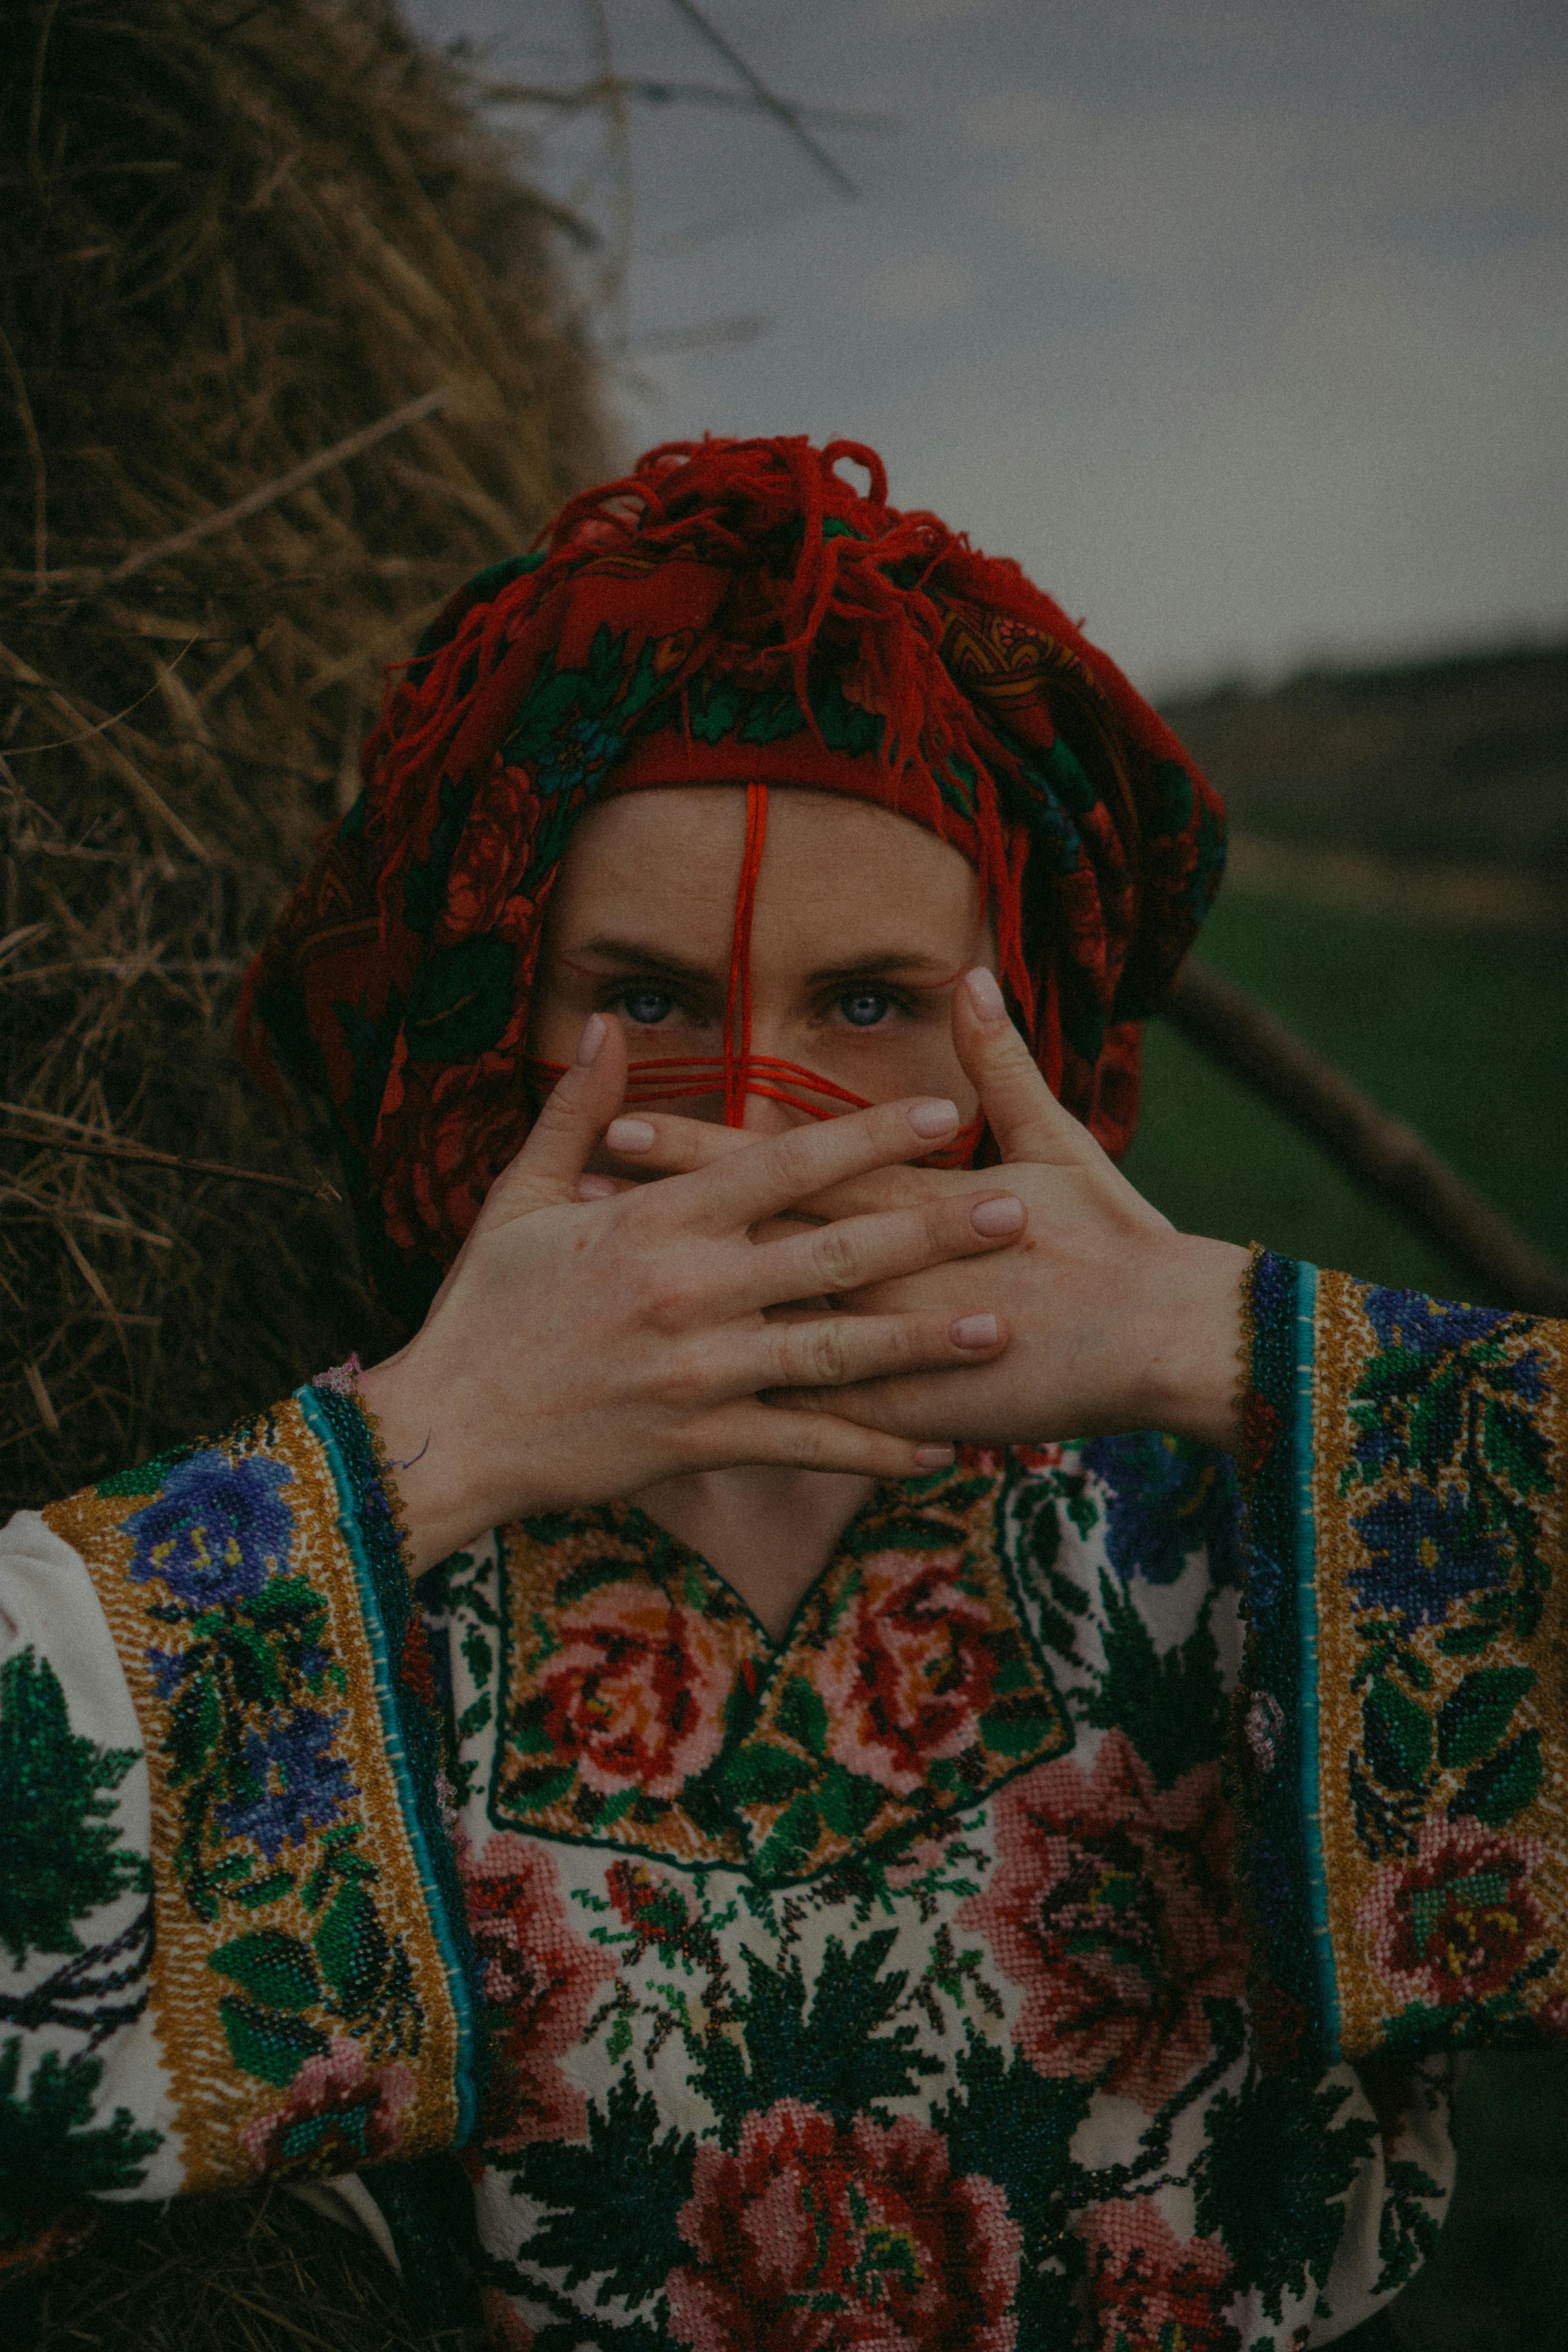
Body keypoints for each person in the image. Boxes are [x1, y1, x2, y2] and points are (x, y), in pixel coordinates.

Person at [2, 437, 1561, 2352]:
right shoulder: (346, 1575)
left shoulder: (1245, 1532)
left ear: (1020, 1034)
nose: (751, 1125)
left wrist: (1214, 1340)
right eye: (646, 997)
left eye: (865, 1004)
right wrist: (431, 1448)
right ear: (507, 1016)